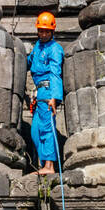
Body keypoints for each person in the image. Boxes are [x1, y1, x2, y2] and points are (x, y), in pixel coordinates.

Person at [27, 12, 64, 176]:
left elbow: (56, 73)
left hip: (48, 90)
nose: (43, 34)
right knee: (35, 131)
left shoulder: (55, 49)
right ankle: (43, 163)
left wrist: (54, 98)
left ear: (52, 32)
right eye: (41, 31)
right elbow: (30, 62)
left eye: (46, 31)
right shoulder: (37, 46)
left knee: (47, 128)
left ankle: (49, 166)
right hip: (39, 92)